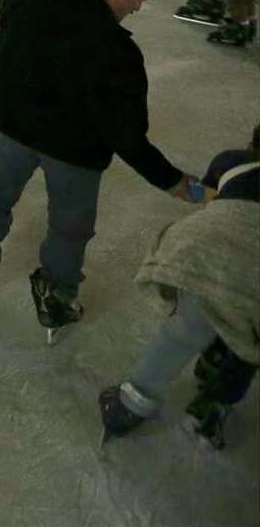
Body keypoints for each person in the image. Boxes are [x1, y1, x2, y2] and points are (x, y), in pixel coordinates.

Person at [0, 0, 203, 341]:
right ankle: (56, 294)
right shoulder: (119, 50)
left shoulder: (28, 3)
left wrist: (1, 97)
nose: (138, 8)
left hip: (11, 129)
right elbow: (126, 133)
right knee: (70, 225)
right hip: (73, 152)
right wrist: (169, 179)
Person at [98, 123, 259, 450]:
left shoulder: (232, 160)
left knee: (186, 329)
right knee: (249, 340)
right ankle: (213, 404)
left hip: (205, 250)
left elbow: (207, 199)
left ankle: (130, 406)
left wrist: (186, 187)